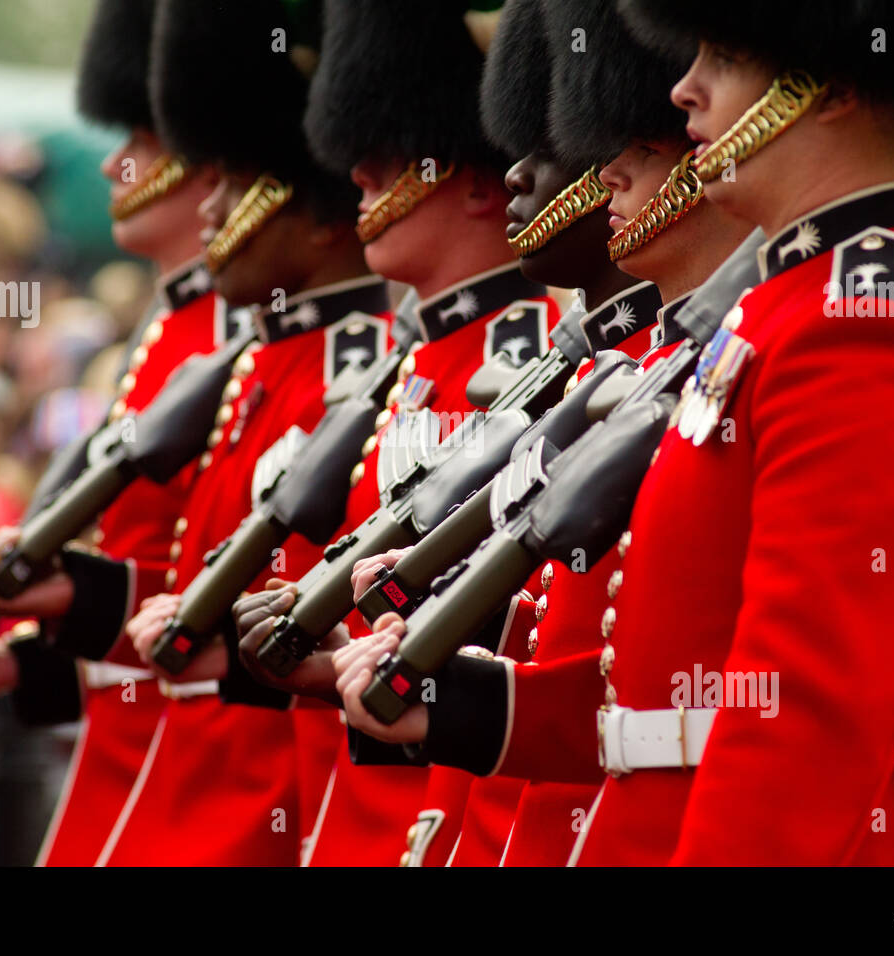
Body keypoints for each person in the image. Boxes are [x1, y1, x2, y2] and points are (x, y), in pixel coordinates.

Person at [337, 0, 894, 865]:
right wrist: (473, 706)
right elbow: (679, 677)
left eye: (722, 56)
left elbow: (803, 723)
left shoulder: (867, 325)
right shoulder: (786, 306)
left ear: (825, 85)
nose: (685, 88)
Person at [231, 0, 561, 867]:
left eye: (388, 163)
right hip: (366, 803)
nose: (361, 178)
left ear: (477, 184)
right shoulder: (415, 358)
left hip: (434, 805)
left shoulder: (512, 350)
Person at [0, 0, 226, 867]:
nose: (121, 164)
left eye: (147, 140)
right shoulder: (172, 332)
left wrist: (74, 608)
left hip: (215, 773)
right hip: (135, 751)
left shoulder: (230, 339)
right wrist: (28, 662)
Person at [92, 0, 391, 866]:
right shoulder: (257, 359)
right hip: (192, 768)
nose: (211, 206)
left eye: (234, 177)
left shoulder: (350, 363)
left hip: (270, 789)